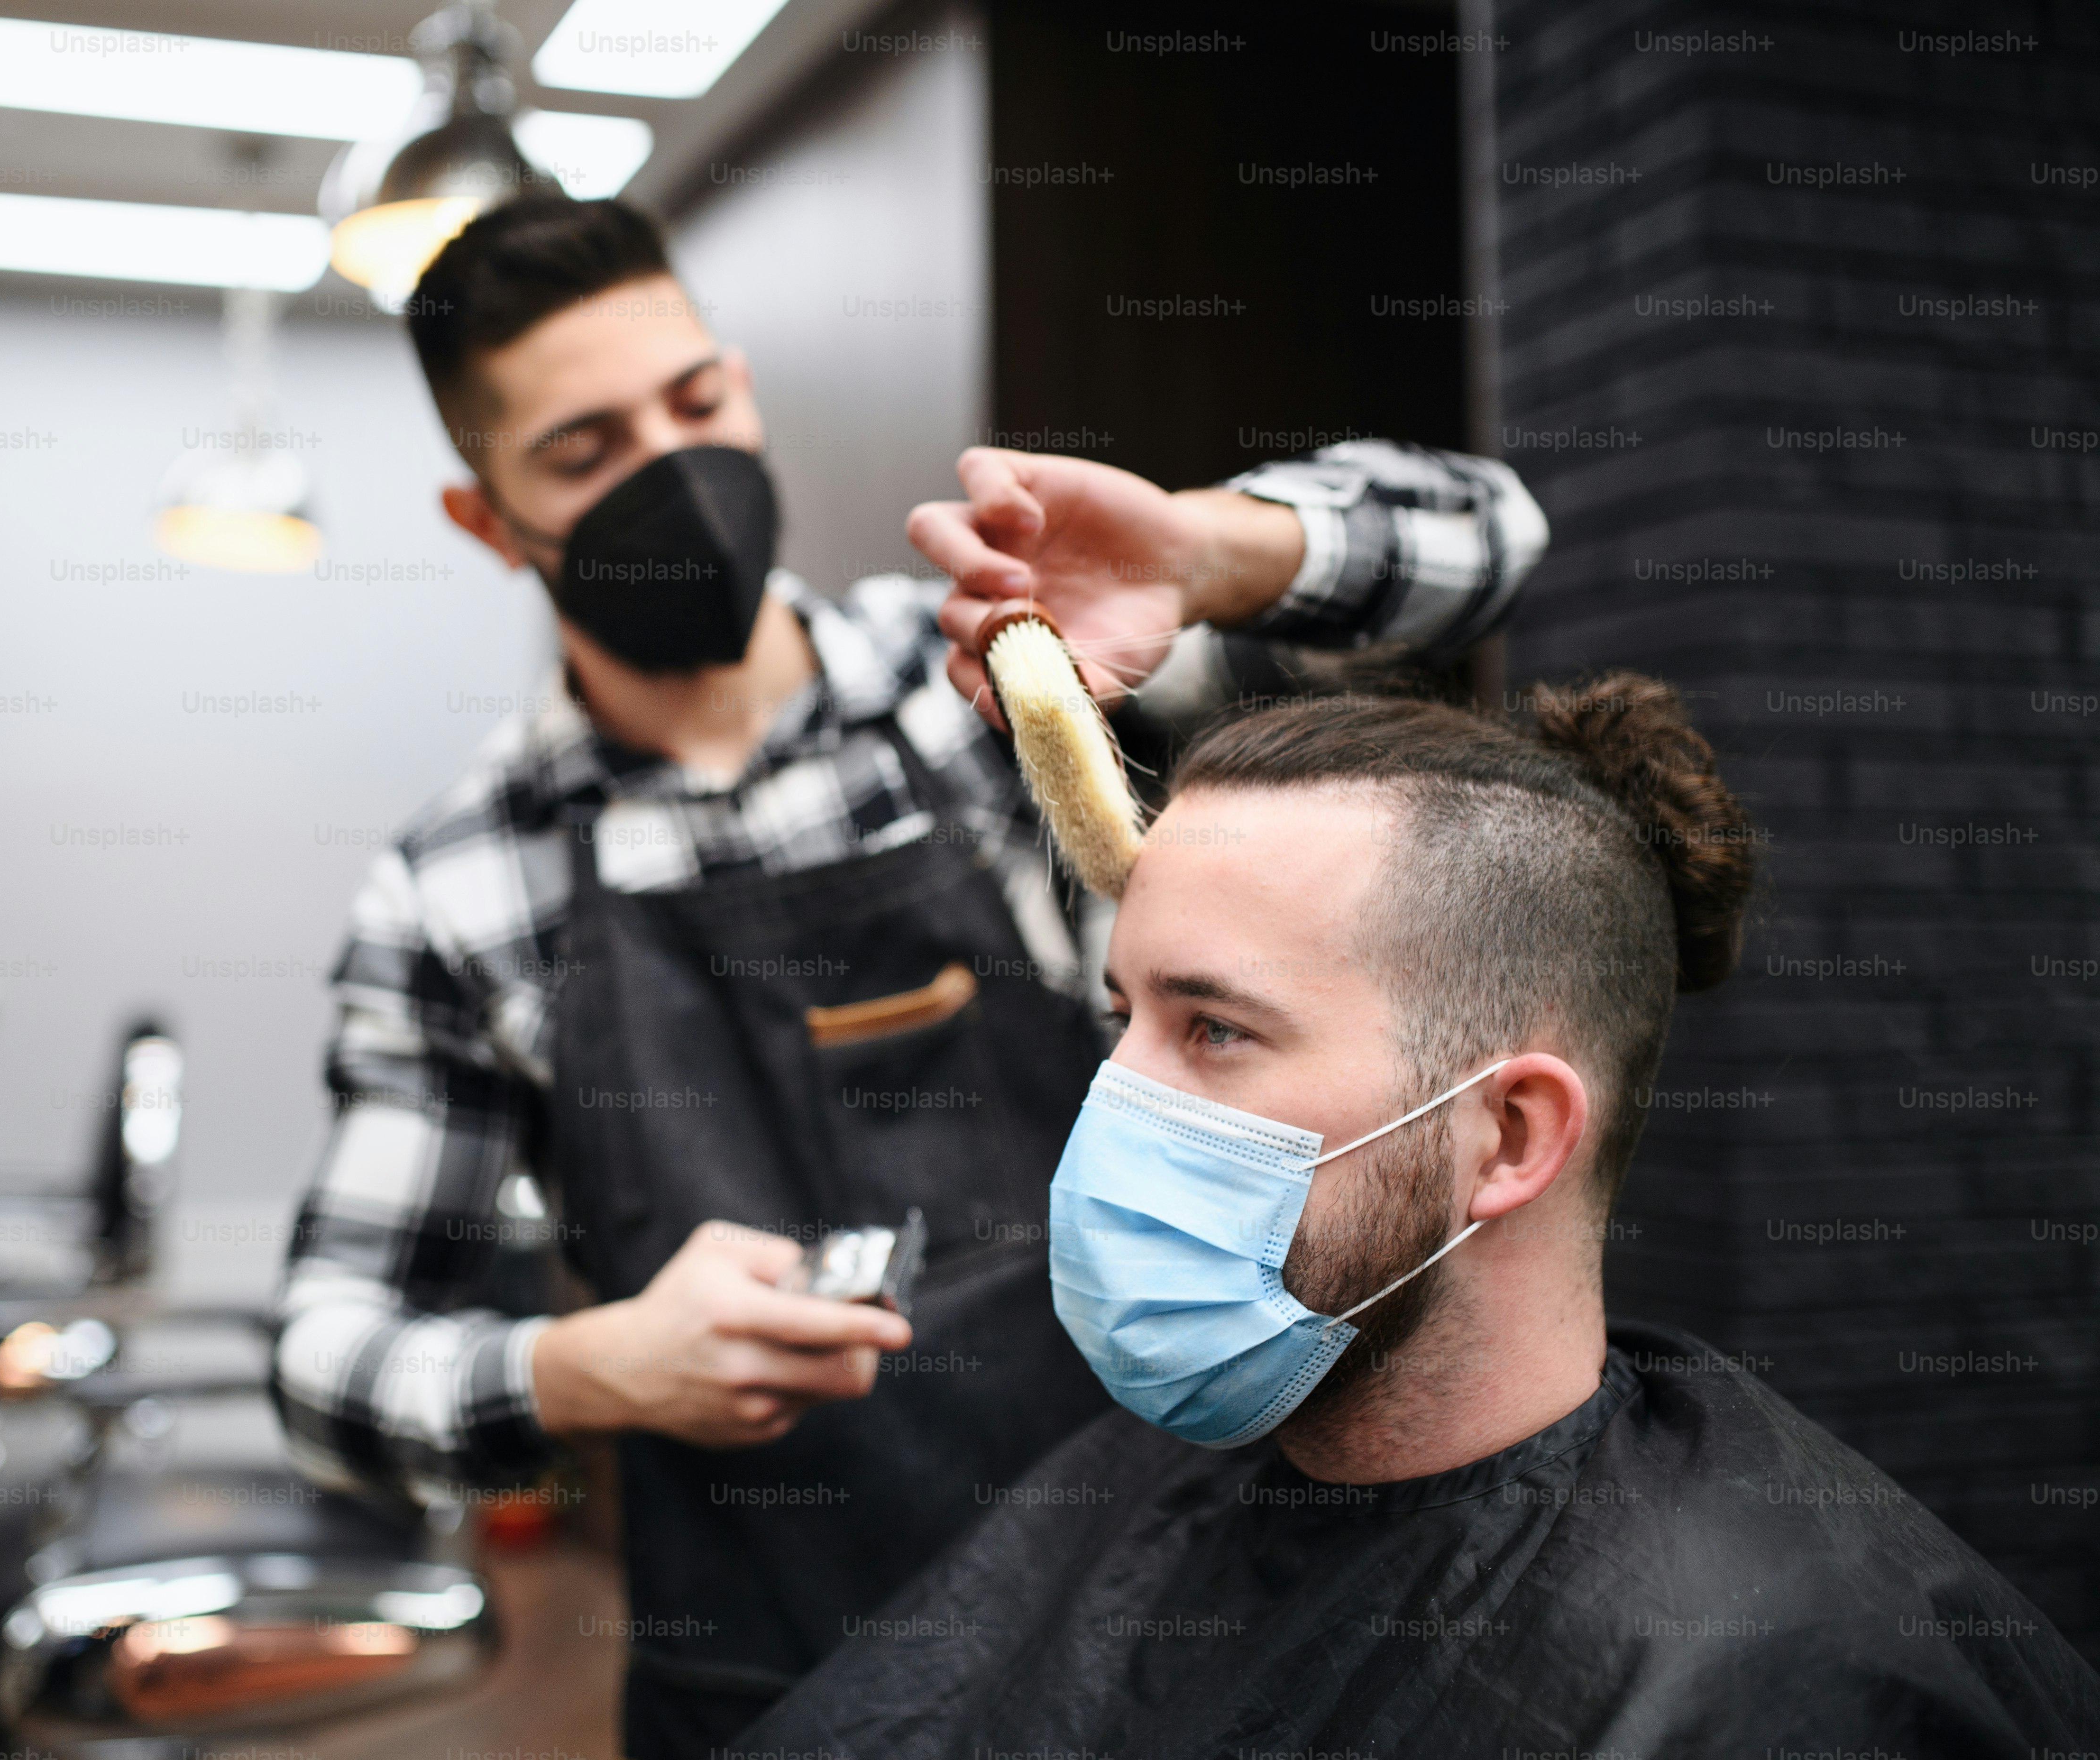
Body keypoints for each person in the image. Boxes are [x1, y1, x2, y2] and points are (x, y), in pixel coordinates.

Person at [269, 193, 1549, 1758]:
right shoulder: (467, 887)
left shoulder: (995, 692)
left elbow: (1489, 543)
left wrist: (1208, 550)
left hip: (1158, 1603)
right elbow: (327, 1363)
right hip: (771, 1682)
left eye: (696, 402)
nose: (675, 468)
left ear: (739, 380)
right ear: (490, 520)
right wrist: (586, 1367)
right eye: (585, 452)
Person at [740, 678, 2100, 1756]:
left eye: (1214, 1029)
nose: (1111, 1107)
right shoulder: (1135, 1501)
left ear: (1506, 1137)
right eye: (1125, 1018)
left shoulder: (1767, 1674)